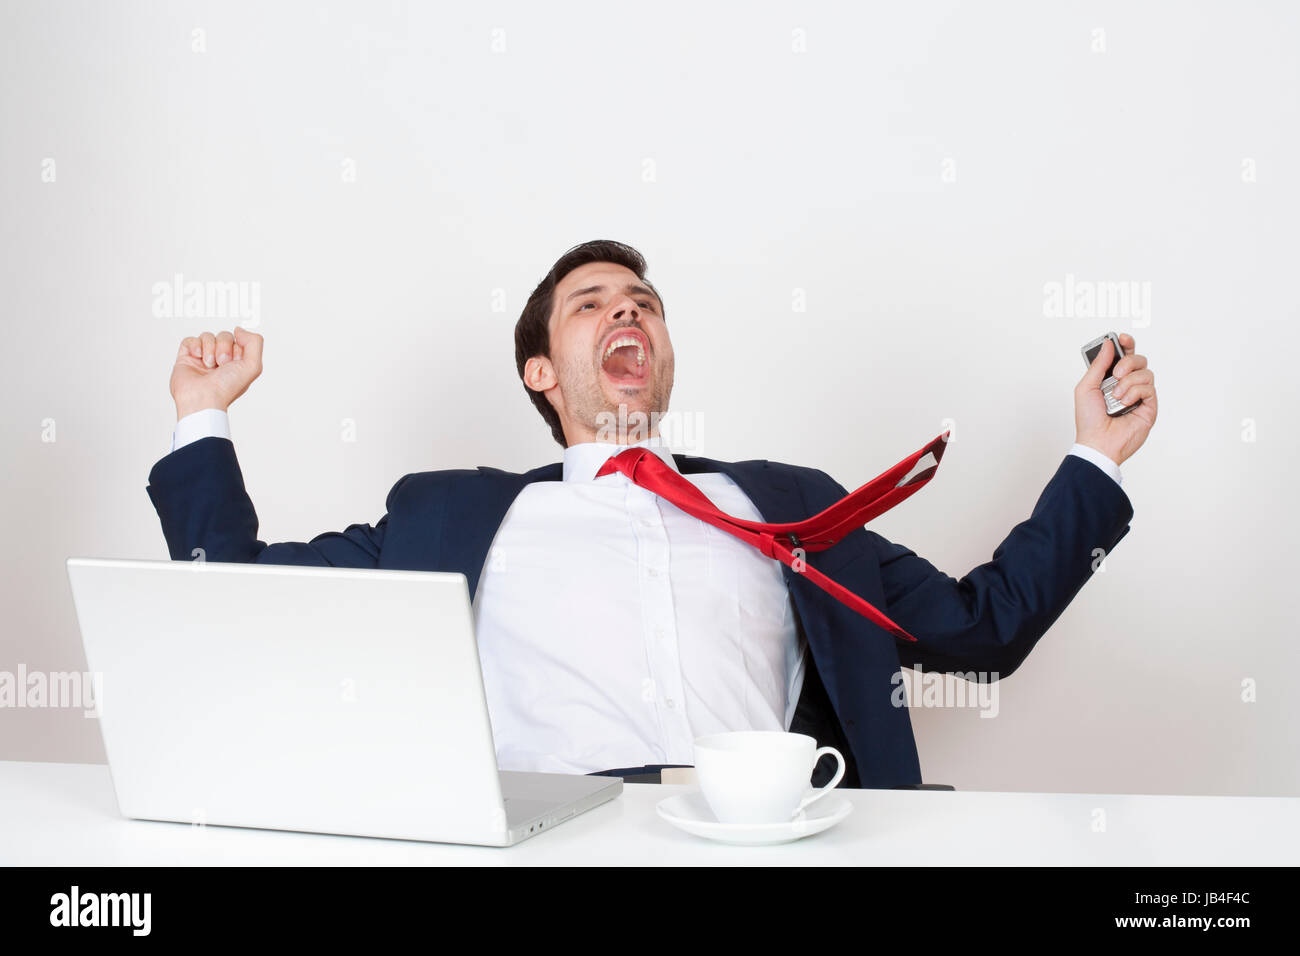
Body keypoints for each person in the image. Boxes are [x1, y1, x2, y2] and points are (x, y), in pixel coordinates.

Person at [147, 239, 1158, 788]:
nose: (626, 309)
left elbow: (984, 626)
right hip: (555, 840)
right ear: (541, 372)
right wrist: (203, 418)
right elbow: (240, 601)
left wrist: (1093, 457)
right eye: (590, 302)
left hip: (769, 839)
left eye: (643, 300)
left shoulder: (790, 507)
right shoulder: (447, 517)